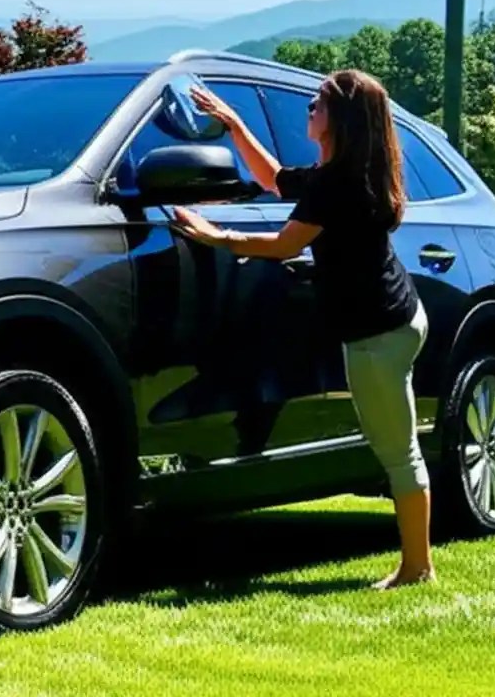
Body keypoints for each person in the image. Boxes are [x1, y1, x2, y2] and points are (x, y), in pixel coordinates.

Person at [172, 69, 433, 590]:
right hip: (396, 320)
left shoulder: (338, 184)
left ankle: (416, 568)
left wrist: (215, 235)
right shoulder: (336, 173)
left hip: (378, 334)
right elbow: (273, 179)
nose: (309, 110)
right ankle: (416, 564)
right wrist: (234, 125)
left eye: (318, 104)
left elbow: (283, 245)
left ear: (342, 119)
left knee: (397, 450)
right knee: (398, 445)